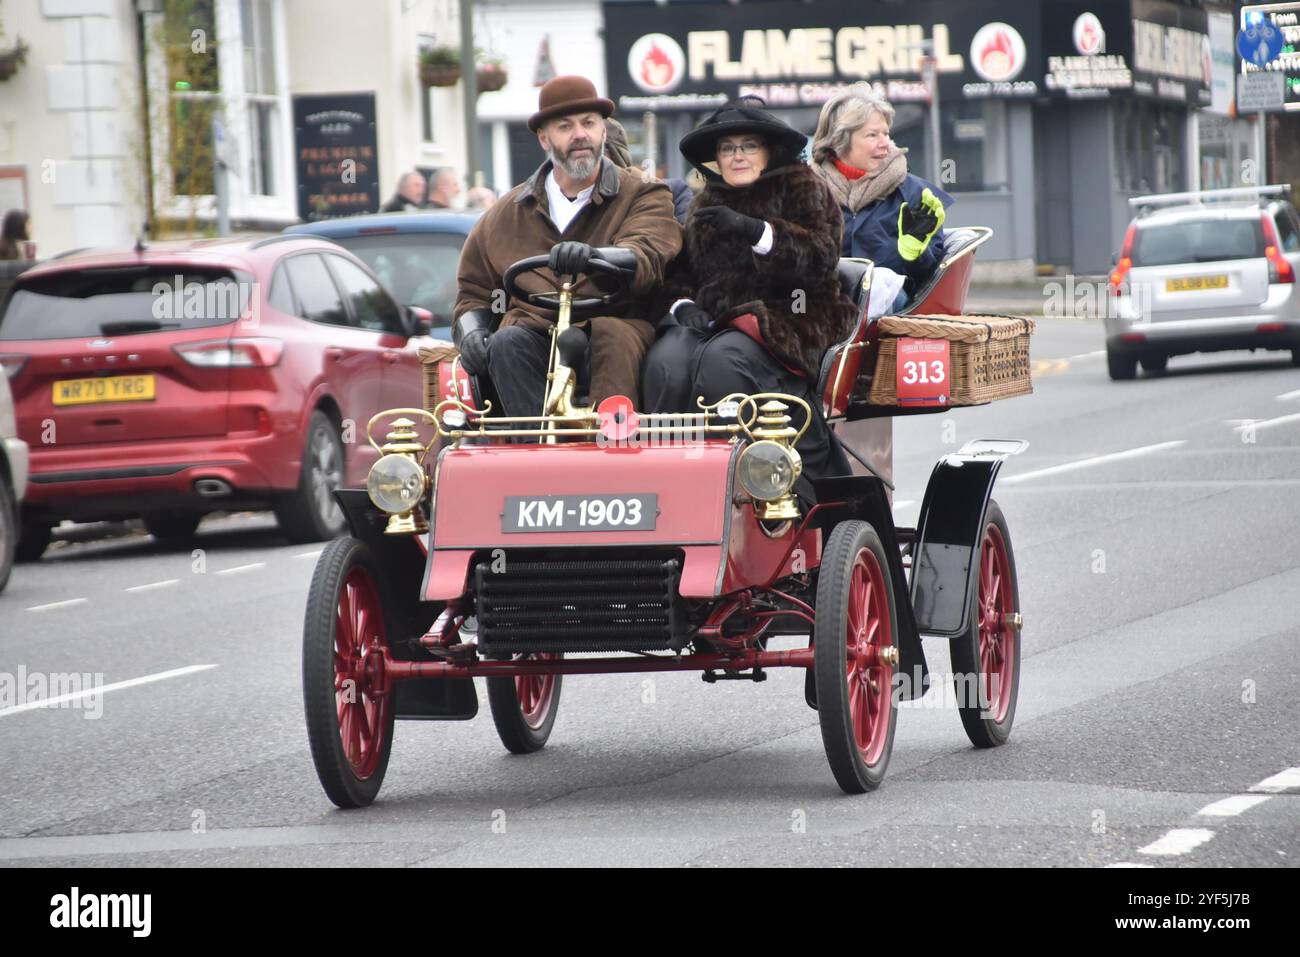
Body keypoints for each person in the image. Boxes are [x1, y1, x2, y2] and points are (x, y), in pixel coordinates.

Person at [641, 97, 855, 482]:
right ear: (716, 158)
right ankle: (672, 478)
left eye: (748, 146)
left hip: (791, 319)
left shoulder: (803, 186)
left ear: (768, 151)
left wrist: (756, 231)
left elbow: (820, 257)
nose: (737, 156)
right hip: (715, 324)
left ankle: (754, 482)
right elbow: (682, 272)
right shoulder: (707, 199)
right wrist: (684, 306)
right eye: (727, 148)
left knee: (723, 363)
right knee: (665, 361)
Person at [453, 75, 682, 417]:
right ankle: (534, 452)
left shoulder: (643, 193)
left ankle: (614, 452)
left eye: (589, 123)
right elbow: (474, 292)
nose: (580, 135)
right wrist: (471, 333)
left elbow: (647, 252)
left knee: (613, 337)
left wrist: (596, 259)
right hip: (533, 335)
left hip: (615, 328)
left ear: (604, 131)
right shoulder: (505, 213)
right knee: (505, 341)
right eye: (565, 126)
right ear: (544, 138)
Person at [811, 83, 952, 309]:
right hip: (821, 303)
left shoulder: (914, 194)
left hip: (890, 313)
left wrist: (915, 253)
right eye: (872, 135)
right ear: (840, 141)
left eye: (886, 133)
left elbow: (929, 279)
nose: (884, 143)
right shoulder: (807, 191)